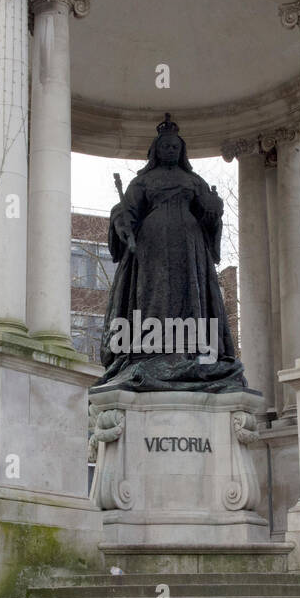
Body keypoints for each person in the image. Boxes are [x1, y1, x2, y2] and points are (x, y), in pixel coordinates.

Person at [96, 115, 246, 391]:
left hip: (190, 245)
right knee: (154, 291)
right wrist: (124, 224)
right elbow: (126, 210)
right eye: (165, 147)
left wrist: (215, 210)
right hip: (152, 245)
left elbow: (208, 215)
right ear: (156, 150)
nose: (171, 151)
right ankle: (152, 348)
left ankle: (189, 349)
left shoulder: (193, 181)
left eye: (175, 147)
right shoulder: (143, 181)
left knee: (190, 291)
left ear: (182, 151)